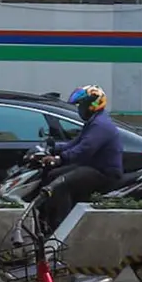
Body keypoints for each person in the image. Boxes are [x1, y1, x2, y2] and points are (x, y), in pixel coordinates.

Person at [34, 86, 123, 231]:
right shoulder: (93, 122)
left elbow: (84, 150)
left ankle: (62, 227)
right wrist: (53, 148)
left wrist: (59, 159)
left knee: (61, 184)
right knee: (52, 175)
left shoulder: (100, 125)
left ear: (92, 105)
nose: (79, 109)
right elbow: (75, 143)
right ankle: (47, 220)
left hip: (103, 171)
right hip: (91, 166)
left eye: (82, 105)